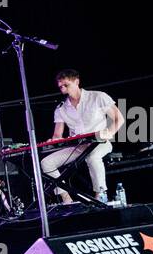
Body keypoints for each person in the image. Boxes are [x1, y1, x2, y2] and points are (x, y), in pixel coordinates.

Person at [40, 69, 123, 204]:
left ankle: (100, 195)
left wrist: (108, 132)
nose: (63, 89)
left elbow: (119, 119)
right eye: (60, 87)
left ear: (76, 82)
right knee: (46, 163)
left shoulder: (98, 97)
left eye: (66, 85)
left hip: (100, 143)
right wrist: (53, 140)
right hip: (78, 146)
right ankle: (66, 197)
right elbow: (57, 135)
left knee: (92, 156)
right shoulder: (61, 108)